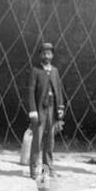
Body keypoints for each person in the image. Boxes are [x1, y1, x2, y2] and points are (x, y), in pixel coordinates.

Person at [25, 42, 65, 180]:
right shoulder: (35, 70)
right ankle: (34, 170)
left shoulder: (54, 71)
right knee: (37, 141)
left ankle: (46, 169)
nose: (46, 56)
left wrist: (60, 109)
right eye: (44, 53)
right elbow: (30, 92)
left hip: (52, 110)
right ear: (40, 55)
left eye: (49, 53)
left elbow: (59, 90)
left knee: (50, 142)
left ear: (52, 55)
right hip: (40, 110)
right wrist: (33, 111)